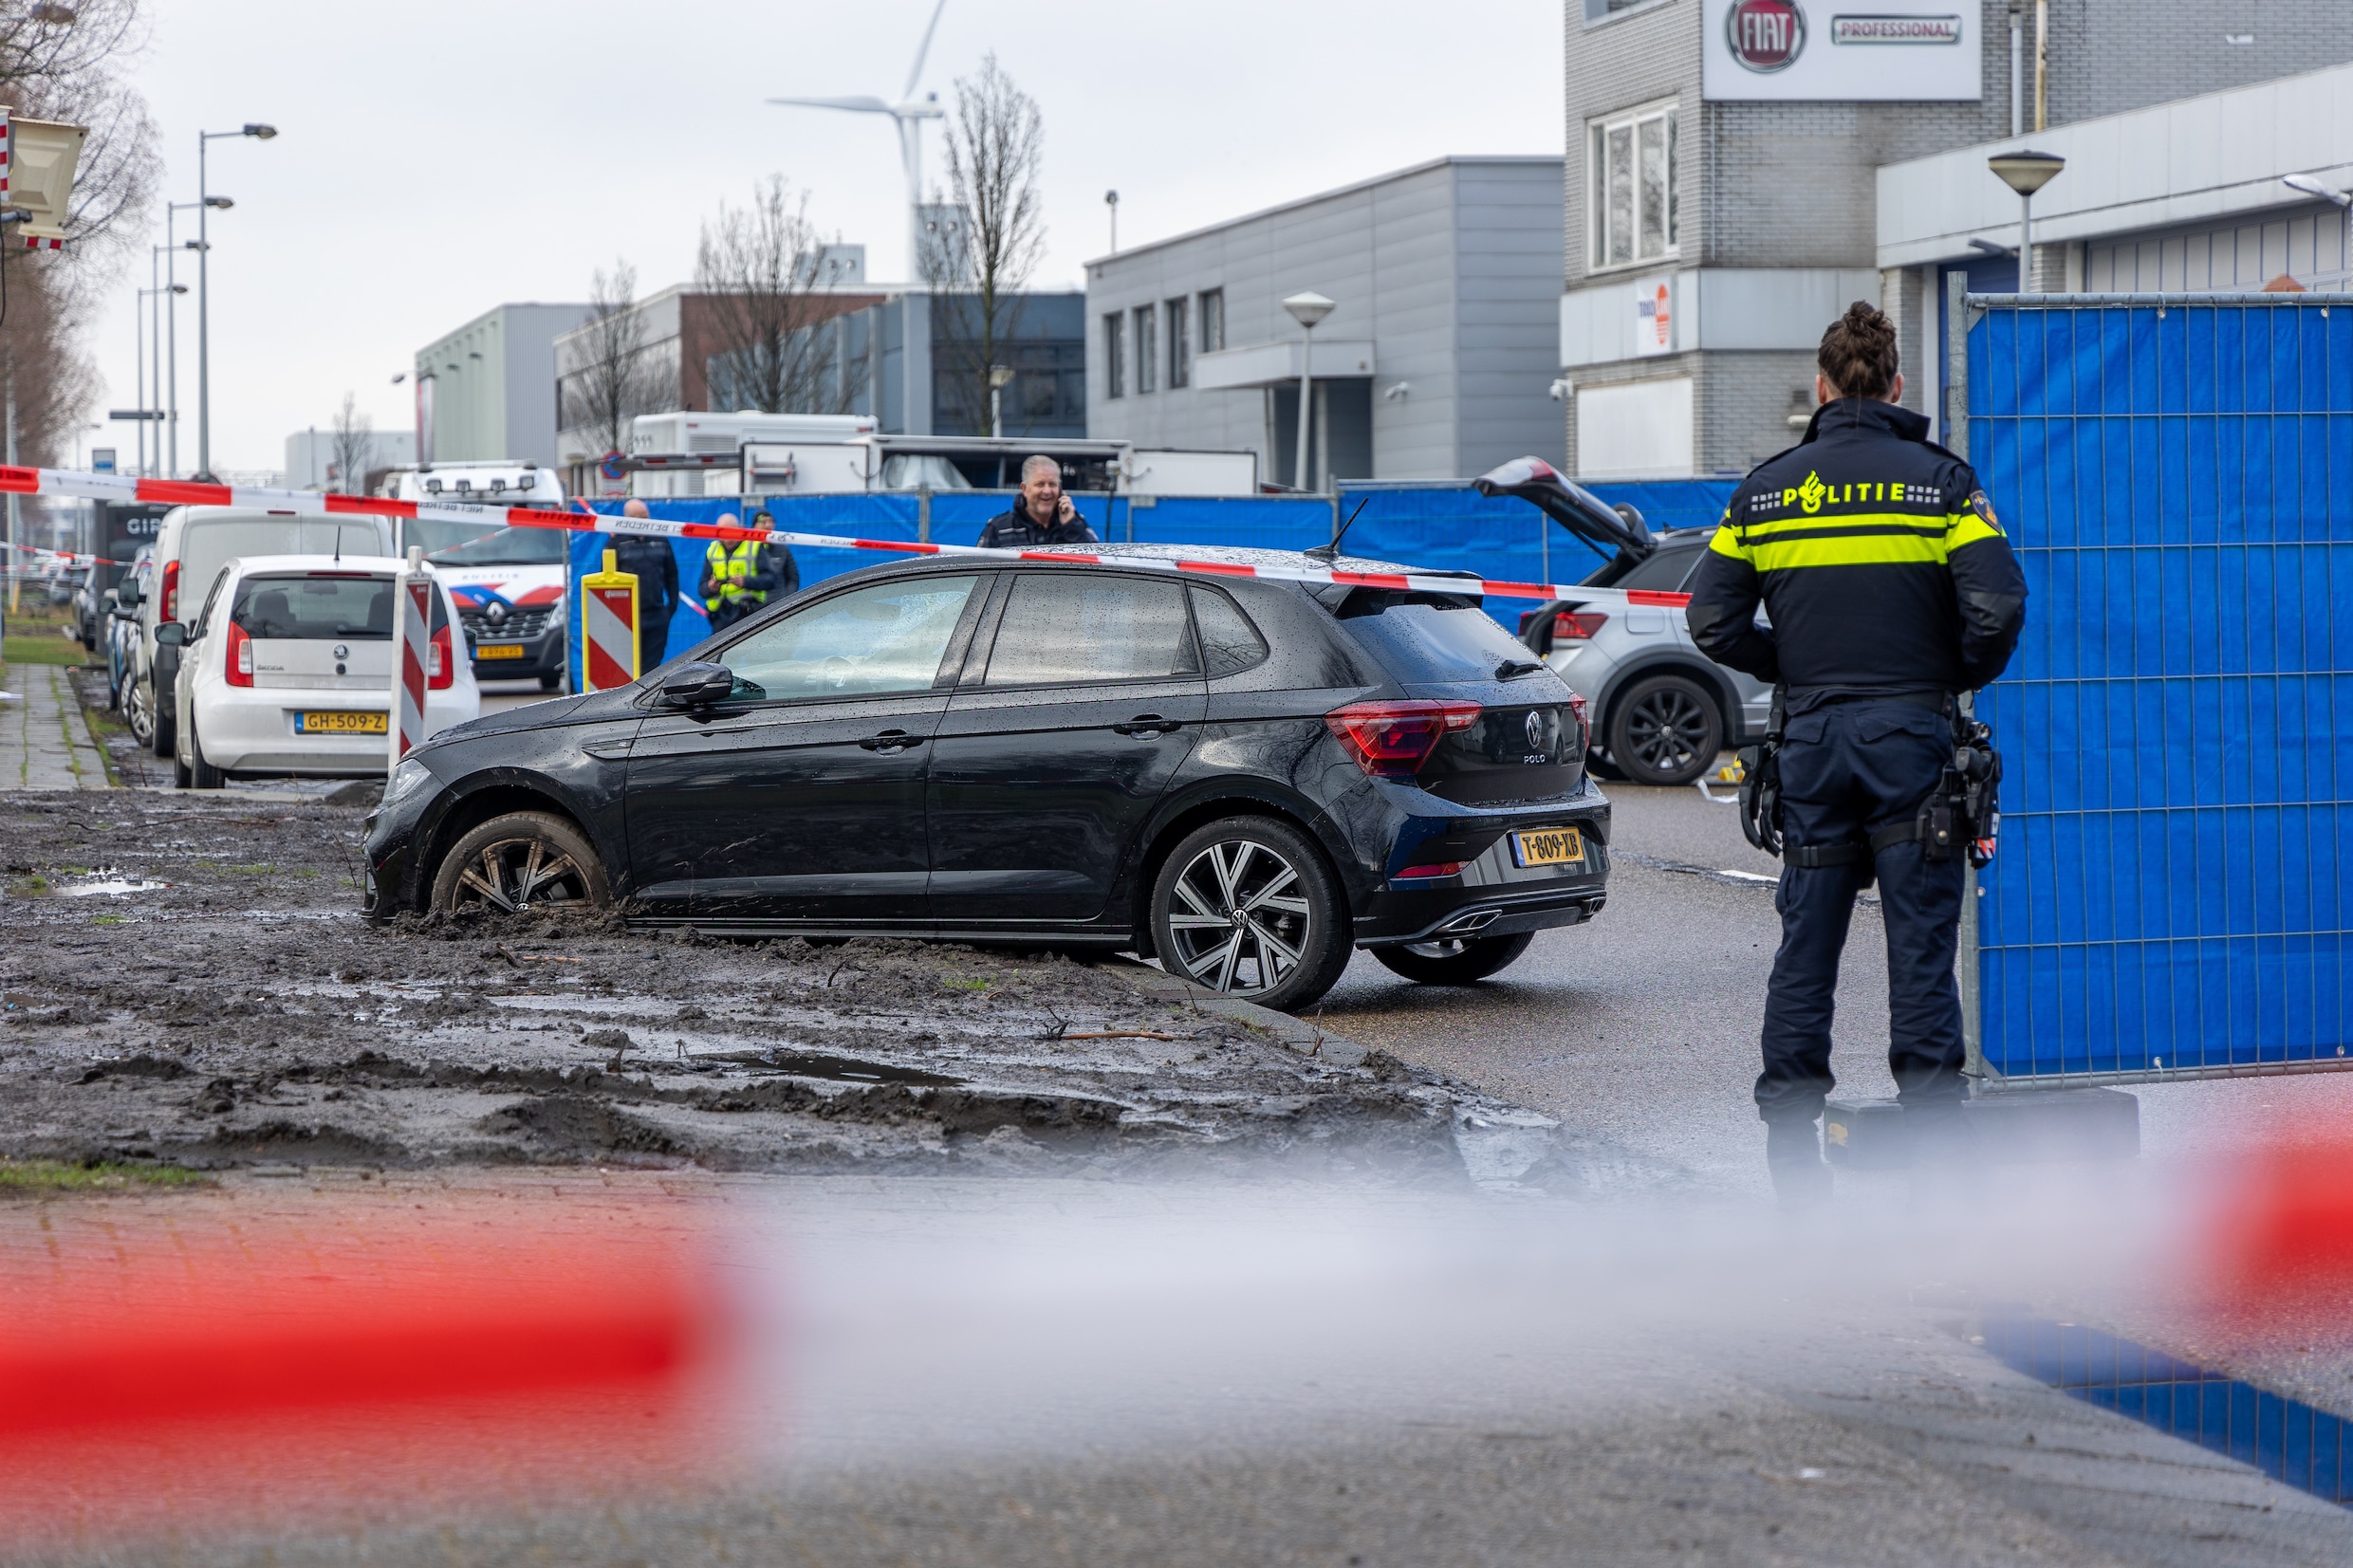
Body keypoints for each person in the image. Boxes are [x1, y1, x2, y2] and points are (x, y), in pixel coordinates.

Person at [1682, 301, 2028, 1208]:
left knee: (1809, 943)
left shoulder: (1766, 489)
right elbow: (1998, 606)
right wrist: (1945, 675)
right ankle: (1937, 1160)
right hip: (1911, 741)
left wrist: (1789, 663)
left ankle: (1793, 1156)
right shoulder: (1942, 484)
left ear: (1824, 387)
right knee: (1921, 946)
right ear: (1899, 385)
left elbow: (1711, 619)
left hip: (1812, 744)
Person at [607, 499, 681, 672]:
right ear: (628, 519)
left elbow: (672, 574)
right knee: (628, 666)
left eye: (646, 517)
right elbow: (608, 580)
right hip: (627, 616)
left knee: (652, 668)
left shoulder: (660, 539)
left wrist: (671, 607)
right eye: (640, 518)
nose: (645, 521)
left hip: (656, 614)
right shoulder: (616, 543)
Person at [977, 455, 1101, 548]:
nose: (1047, 491)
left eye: (1052, 484)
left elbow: (1096, 568)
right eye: (1040, 484)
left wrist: (1071, 527)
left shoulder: (1076, 525)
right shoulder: (999, 529)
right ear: (1024, 489)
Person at [699, 513, 793, 633]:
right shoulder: (712, 550)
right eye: (723, 533)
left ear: (738, 529)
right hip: (721, 615)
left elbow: (770, 579)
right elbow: (702, 589)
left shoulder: (753, 546)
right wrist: (710, 587)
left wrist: (746, 582)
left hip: (748, 613)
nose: (727, 538)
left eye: (730, 533)